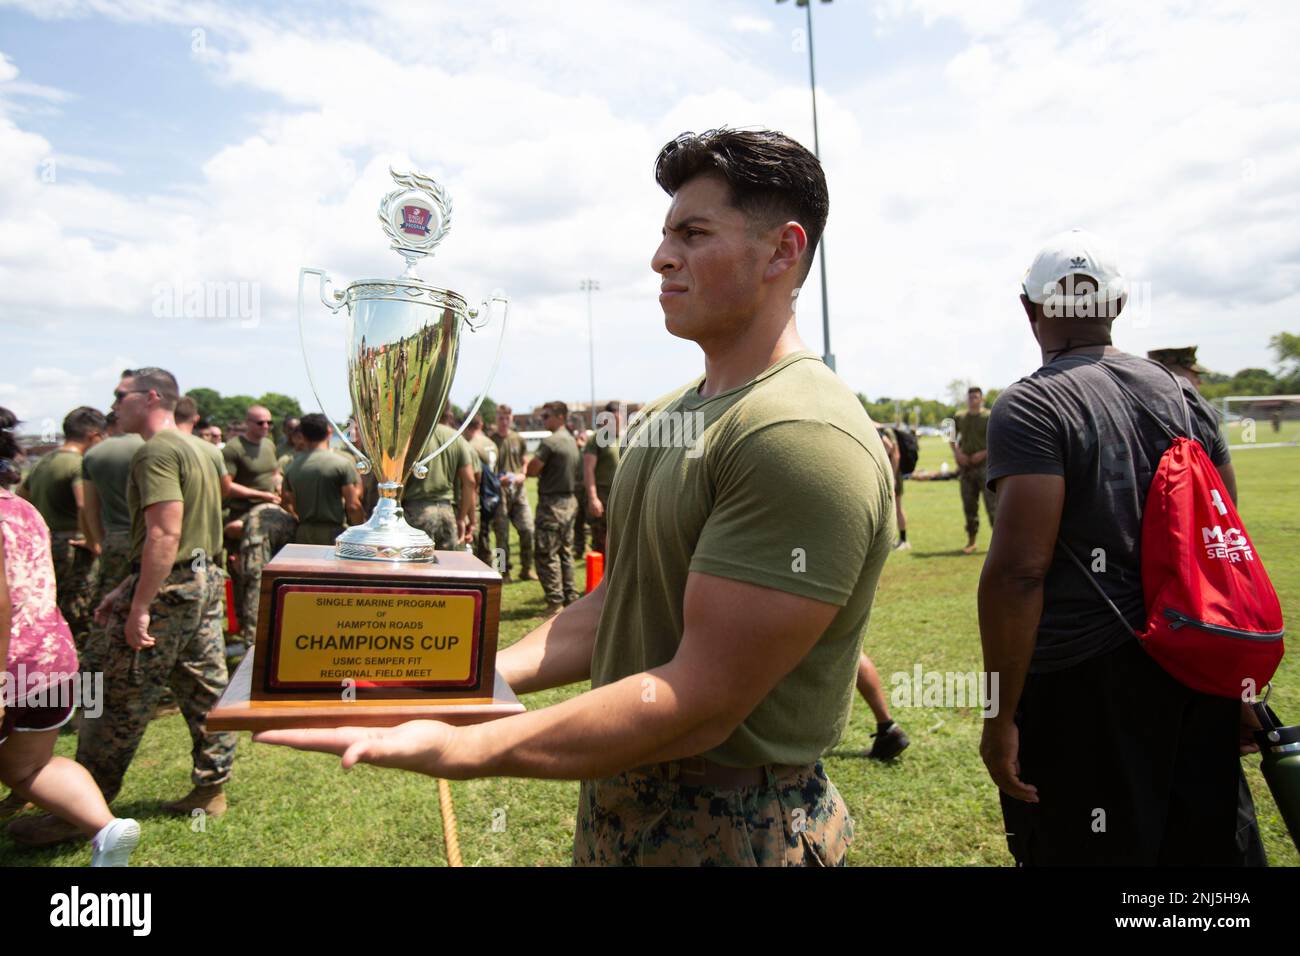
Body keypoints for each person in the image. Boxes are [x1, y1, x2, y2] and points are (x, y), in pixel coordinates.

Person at [257, 127, 894, 868]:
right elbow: (609, 609)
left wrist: (464, 745)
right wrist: (465, 685)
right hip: (626, 806)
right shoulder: (669, 414)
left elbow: (700, 700)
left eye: (693, 234)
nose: (661, 257)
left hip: (739, 826)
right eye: (665, 235)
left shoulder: (799, 431)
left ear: (783, 251)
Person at [979, 228, 1259, 865]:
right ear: (1120, 305)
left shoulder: (1033, 404)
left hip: (1082, 683)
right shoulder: (1184, 397)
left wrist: (999, 720)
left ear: (1031, 308)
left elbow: (1019, 574)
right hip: (1193, 665)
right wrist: (1240, 689)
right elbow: (1228, 551)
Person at [12, 369, 238, 848]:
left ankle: (80, 812)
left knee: (113, 697)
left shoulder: (156, 450)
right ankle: (210, 787)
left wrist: (140, 605)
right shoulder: (198, 447)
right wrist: (130, 587)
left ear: (151, 397)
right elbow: (192, 529)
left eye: (121, 395)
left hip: (170, 590)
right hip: (203, 581)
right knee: (204, 689)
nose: (113, 406)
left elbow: (165, 532)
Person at [0, 408, 141, 865]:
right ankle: (106, 830)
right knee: (29, 766)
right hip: (52, 659)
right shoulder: (22, 511)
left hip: (10, 665)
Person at [18, 406, 106, 650]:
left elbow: (21, 497)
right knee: (78, 610)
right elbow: (83, 503)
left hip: (46, 544)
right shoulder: (78, 464)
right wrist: (93, 541)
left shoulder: (43, 462)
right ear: (92, 435)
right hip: (73, 547)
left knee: (51, 605)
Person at [223, 405, 294, 650]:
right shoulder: (234, 449)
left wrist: (277, 490)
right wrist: (261, 495)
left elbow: (274, 472)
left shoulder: (270, 445)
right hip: (244, 512)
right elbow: (226, 487)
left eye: (268, 423)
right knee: (249, 574)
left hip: (270, 510)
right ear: (247, 423)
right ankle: (250, 638)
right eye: (259, 423)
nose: (265, 427)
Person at [79, 412, 144, 678]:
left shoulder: (94, 455)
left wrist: (98, 541)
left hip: (115, 538)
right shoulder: (148, 446)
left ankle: (96, 674)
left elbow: (88, 506)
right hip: (147, 537)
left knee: (108, 611)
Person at [526, 402, 581, 614]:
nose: (543, 419)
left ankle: (555, 601)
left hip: (552, 505)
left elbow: (532, 469)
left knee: (546, 553)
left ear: (560, 416)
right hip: (569, 502)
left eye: (546, 415)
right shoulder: (571, 440)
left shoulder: (551, 442)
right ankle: (570, 596)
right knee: (565, 552)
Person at [281, 414, 364, 546]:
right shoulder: (342, 463)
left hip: (303, 534)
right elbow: (353, 506)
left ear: (302, 435)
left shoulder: (291, 466)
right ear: (329, 431)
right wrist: (362, 533)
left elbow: (286, 501)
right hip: (333, 534)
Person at [402, 423, 475, 551]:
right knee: (447, 567)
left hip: (416, 512)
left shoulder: (410, 435)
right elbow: (470, 481)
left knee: (417, 568)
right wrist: (462, 518)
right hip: (447, 513)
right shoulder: (455, 437)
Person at [490, 404, 535, 581]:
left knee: (528, 530)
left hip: (518, 490)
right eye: (501, 418)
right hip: (499, 492)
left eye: (507, 418)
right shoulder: (491, 440)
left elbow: (525, 460)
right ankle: (503, 571)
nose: (504, 421)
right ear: (496, 418)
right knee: (501, 535)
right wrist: (496, 480)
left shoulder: (518, 438)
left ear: (512, 419)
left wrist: (522, 474)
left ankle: (527, 568)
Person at [952, 387, 996, 555]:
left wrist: (983, 453)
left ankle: (997, 543)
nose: (973, 400)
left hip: (985, 467)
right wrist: (957, 453)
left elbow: (997, 438)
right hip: (966, 468)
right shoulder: (960, 417)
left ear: (981, 399)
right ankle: (971, 541)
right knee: (969, 506)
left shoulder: (989, 416)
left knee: (993, 506)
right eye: (970, 397)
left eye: (976, 397)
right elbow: (949, 434)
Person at [583, 401, 623, 555]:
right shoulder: (597, 439)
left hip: (622, 498)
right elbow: (588, 470)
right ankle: (601, 578)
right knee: (602, 544)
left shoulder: (627, 437)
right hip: (603, 499)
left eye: (620, 417)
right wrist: (593, 498)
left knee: (620, 545)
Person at [465, 414, 498, 564]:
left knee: (477, 543)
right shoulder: (491, 444)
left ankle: (485, 572)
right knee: (494, 539)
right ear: (481, 424)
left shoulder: (470, 446)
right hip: (493, 497)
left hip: (478, 499)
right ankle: (500, 570)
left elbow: (471, 480)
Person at [876, 424, 910, 550]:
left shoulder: (883, 431)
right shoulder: (883, 429)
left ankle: (904, 540)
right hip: (891, 474)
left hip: (894, 475)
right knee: (889, 508)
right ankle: (893, 539)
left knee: (897, 507)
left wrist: (893, 476)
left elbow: (894, 453)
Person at [571, 420, 588, 562]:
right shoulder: (573, 449)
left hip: (586, 489)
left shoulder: (589, 447)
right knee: (578, 521)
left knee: (590, 521)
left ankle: (592, 549)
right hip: (576, 489)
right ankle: (579, 548)